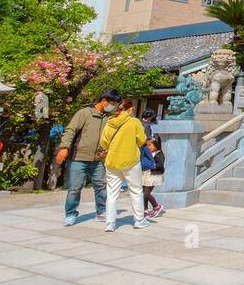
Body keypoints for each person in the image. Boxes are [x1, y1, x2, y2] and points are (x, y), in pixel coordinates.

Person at [55, 90, 120, 226]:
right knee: (75, 188)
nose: (113, 106)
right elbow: (71, 130)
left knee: (101, 186)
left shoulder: (108, 117)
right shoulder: (84, 113)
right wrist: (64, 147)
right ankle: (70, 214)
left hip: (98, 159)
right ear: (104, 101)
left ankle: (101, 211)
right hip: (79, 157)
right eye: (112, 103)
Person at [99, 98, 148, 232]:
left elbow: (103, 142)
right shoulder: (134, 122)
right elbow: (142, 140)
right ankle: (139, 220)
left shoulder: (110, 122)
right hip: (130, 160)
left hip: (112, 161)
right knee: (136, 191)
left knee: (112, 193)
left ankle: (110, 223)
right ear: (130, 109)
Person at [141, 135, 165, 219]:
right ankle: (151, 208)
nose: (148, 147)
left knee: (146, 193)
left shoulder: (159, 154)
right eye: (147, 145)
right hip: (147, 175)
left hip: (154, 176)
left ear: (156, 144)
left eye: (150, 145)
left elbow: (160, 165)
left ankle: (151, 208)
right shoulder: (149, 153)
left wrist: (152, 165)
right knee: (144, 193)